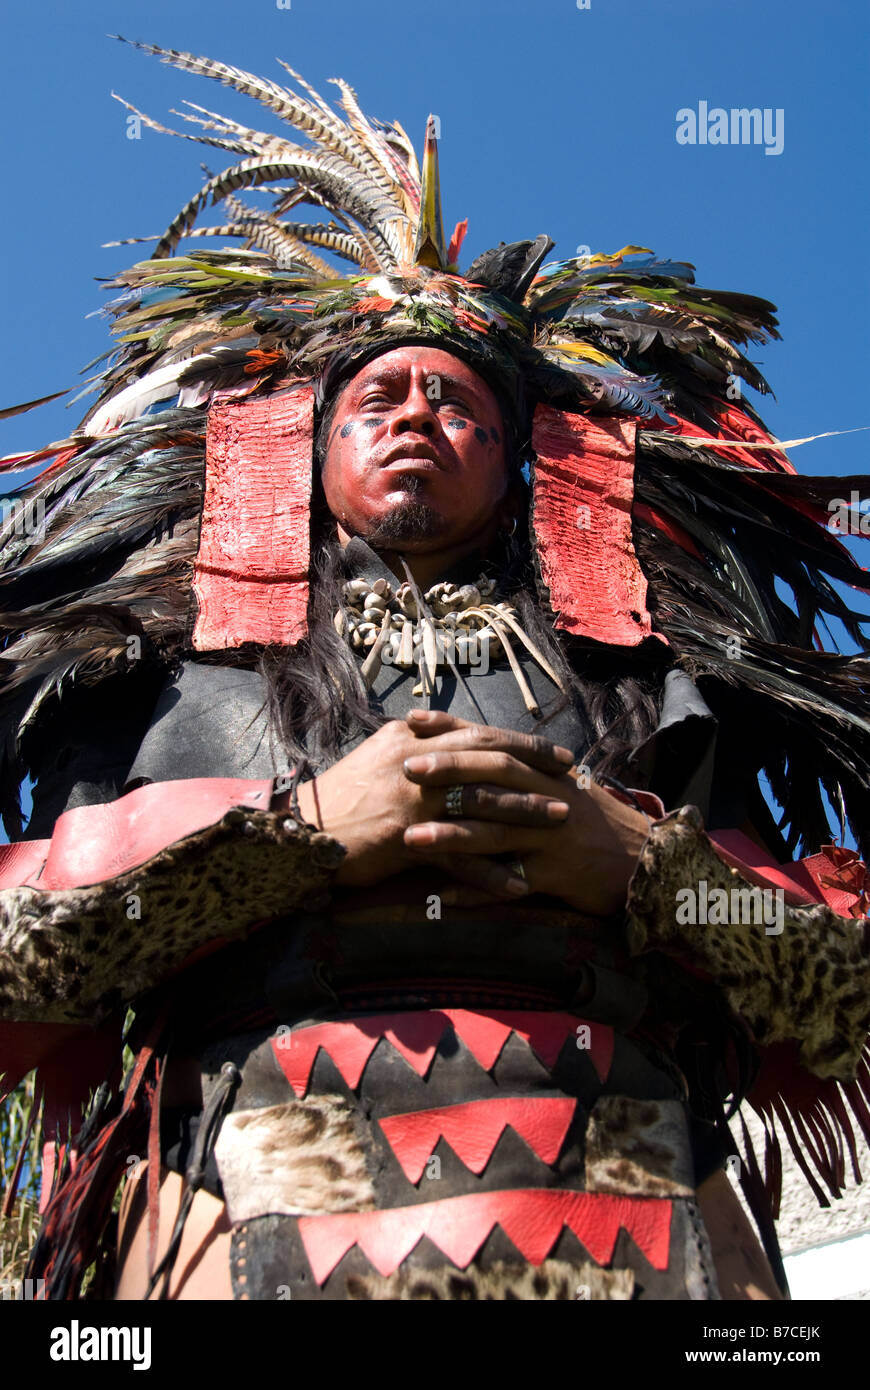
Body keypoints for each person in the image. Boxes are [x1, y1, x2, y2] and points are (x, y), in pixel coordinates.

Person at [1, 45, 868, 1302]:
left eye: (459, 403)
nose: (416, 413)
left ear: (524, 466)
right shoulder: (164, 677)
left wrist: (634, 865)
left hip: (647, 1202)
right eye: (379, 395)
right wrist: (295, 842)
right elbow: (25, 965)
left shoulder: (648, 685)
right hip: (238, 1195)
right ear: (299, 451)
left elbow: (839, 996)